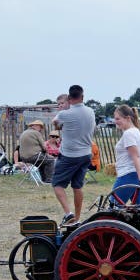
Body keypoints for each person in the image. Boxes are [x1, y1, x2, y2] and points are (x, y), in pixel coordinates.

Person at [51, 85, 95, 226]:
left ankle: (68, 214)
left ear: (69, 99)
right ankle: (76, 218)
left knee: (57, 184)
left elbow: (55, 123)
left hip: (69, 155)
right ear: (82, 97)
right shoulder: (90, 111)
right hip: (86, 154)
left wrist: (60, 126)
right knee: (77, 187)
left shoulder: (65, 114)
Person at [111, 104, 140, 205]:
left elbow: (136, 157)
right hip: (138, 174)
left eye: (118, 119)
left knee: (112, 207)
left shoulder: (128, 134)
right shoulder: (136, 132)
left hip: (129, 175)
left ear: (128, 118)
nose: (115, 121)